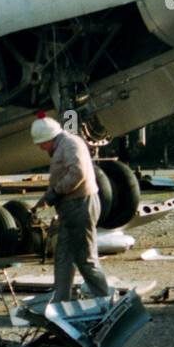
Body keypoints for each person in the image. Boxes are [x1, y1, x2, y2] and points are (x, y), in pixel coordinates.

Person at [31, 115, 110, 302]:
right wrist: (45, 199)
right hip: (72, 207)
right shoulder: (64, 145)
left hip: (80, 206)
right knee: (64, 257)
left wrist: (54, 193)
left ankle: (105, 301)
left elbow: (77, 173)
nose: (41, 147)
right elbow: (65, 175)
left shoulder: (69, 144)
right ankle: (61, 302)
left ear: (49, 138)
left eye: (41, 143)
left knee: (85, 259)